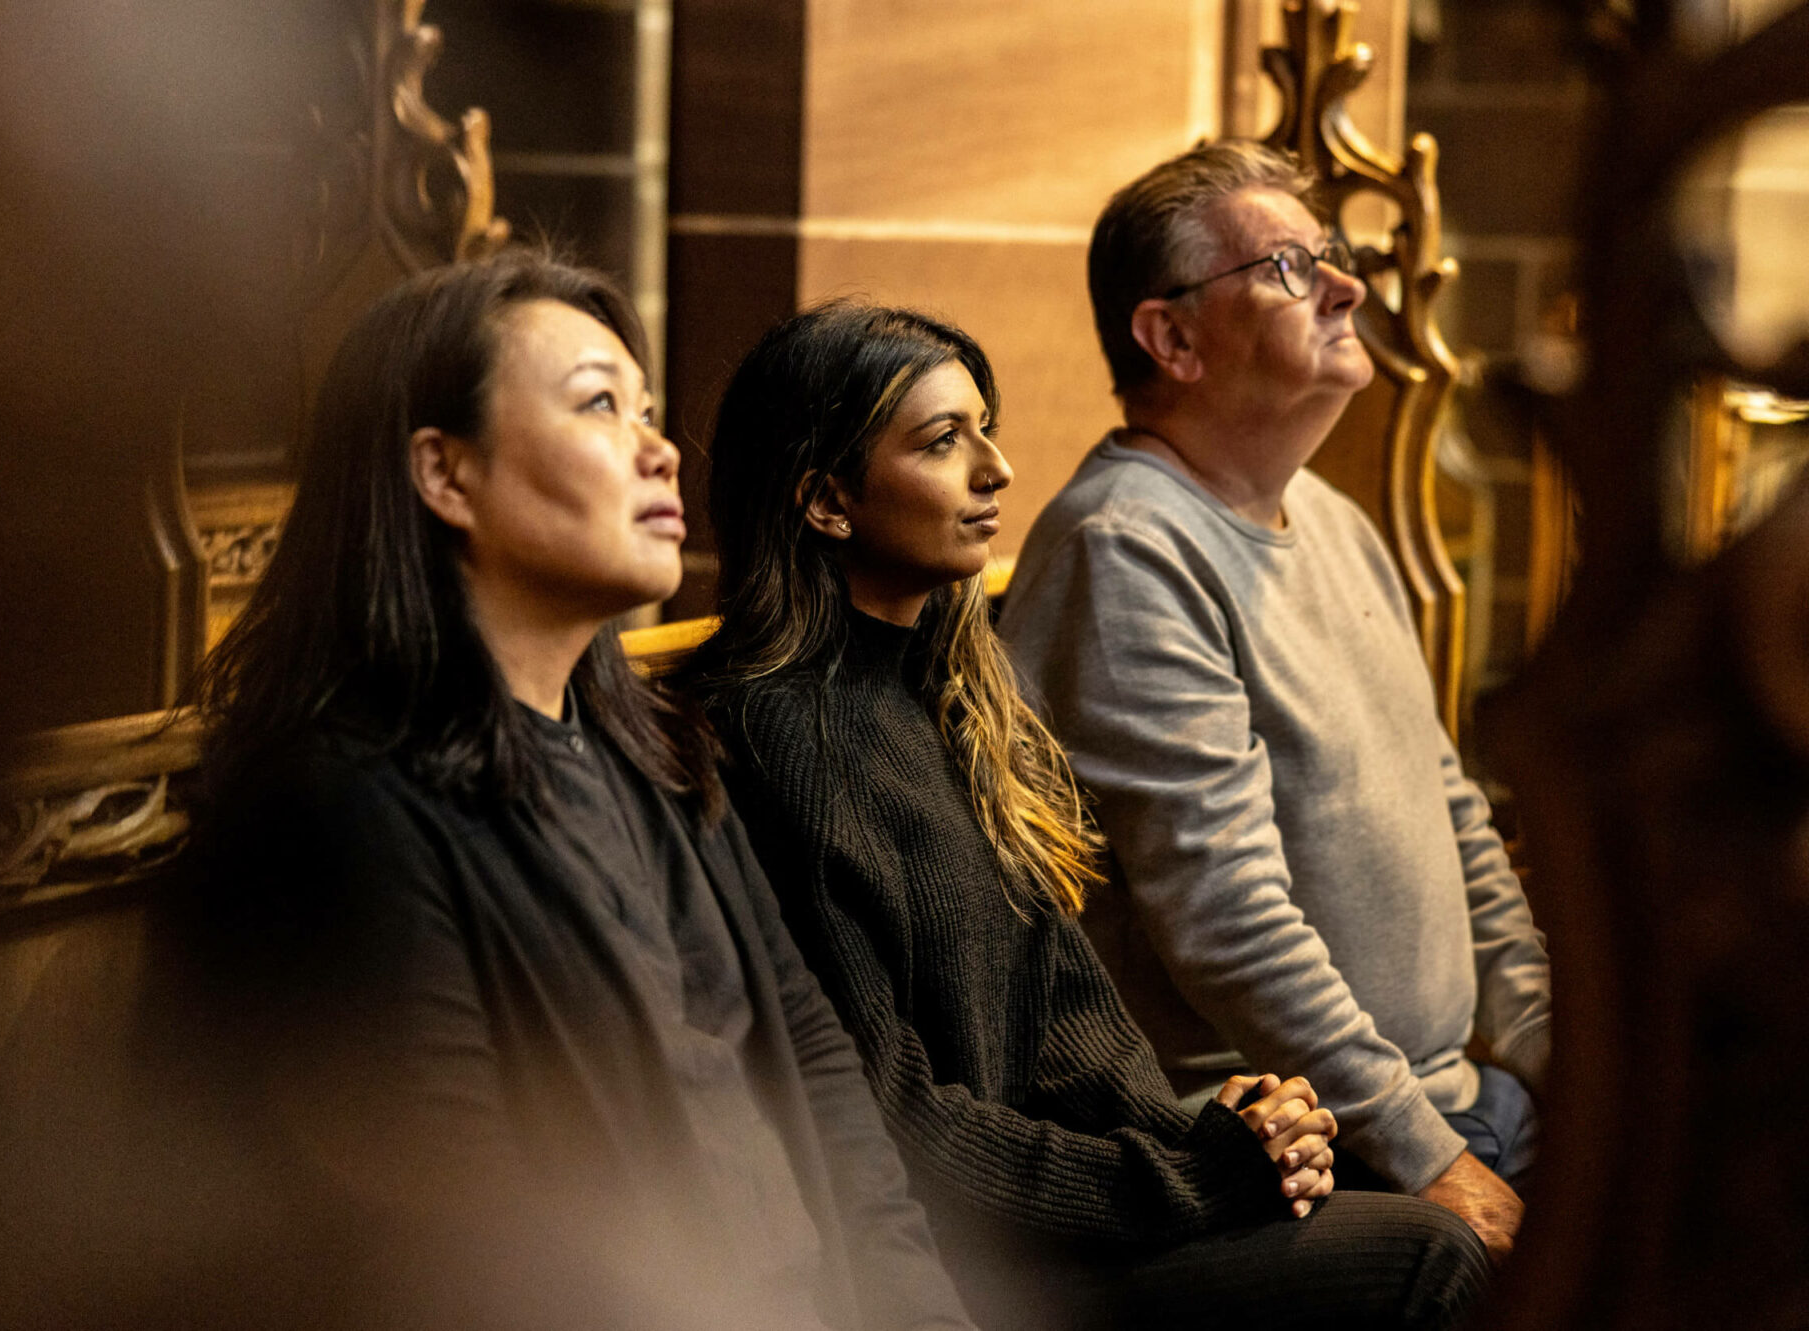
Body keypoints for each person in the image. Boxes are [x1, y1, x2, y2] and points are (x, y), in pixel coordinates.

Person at [172, 251, 975, 1331]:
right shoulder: (343, 803)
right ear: (443, 474)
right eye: (600, 404)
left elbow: (823, 1075)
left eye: (646, 408)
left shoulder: (650, 750)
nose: (657, 450)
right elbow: (456, 1237)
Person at [676, 298, 1489, 1330]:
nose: (996, 470)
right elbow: (895, 1121)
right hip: (973, 1259)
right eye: (940, 441)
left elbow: (1064, 1022)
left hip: (1081, 1204)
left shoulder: (951, 691)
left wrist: (1222, 1139)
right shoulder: (776, 735)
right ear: (826, 498)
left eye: (986, 430)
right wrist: (1190, 1183)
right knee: (1431, 1252)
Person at [996, 141, 1549, 1263]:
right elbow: (1226, 923)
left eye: (1331, 257)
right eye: (1291, 267)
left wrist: (1561, 1053)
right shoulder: (1128, 549)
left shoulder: (1334, 519)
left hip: (1461, 1101)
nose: (1347, 286)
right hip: (1299, 1155)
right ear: (1172, 338)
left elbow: (1456, 820)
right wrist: (1434, 1160)